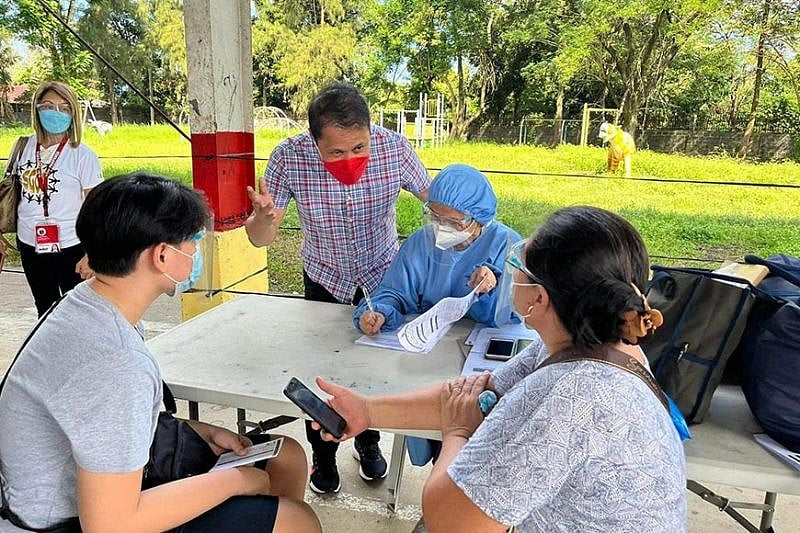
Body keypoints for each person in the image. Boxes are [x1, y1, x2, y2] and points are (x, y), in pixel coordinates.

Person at [313, 206, 687, 532]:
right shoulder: (586, 346)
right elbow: (475, 393)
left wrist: (457, 433)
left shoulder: (575, 397)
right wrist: (368, 411)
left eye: (517, 267)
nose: (511, 274)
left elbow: (451, 521)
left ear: (539, 298)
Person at [0, 173, 321, 533]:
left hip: (98, 477)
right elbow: (111, 525)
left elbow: (102, 420)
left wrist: (203, 431)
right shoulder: (116, 361)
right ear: (163, 256)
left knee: (285, 458)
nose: (197, 250)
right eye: (194, 241)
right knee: (296, 521)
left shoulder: (91, 302)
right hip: (64, 520)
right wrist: (234, 483)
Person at [245, 82, 431, 493]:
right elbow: (260, 238)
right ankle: (322, 456)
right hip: (324, 276)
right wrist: (264, 219)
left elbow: (432, 198)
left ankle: (368, 442)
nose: (350, 159)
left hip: (383, 276)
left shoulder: (394, 149)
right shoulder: (288, 158)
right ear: (314, 141)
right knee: (322, 375)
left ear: (370, 132)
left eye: (359, 148)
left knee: (373, 369)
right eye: (337, 152)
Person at [354, 163, 520, 337]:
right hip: (426, 340)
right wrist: (379, 314)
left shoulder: (506, 245)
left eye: (454, 222)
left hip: (482, 341)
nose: (442, 227)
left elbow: (515, 311)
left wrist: (492, 286)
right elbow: (394, 291)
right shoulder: (420, 243)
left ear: (479, 219)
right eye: (435, 216)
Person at [0, 81, 103, 317]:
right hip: (30, 243)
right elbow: (9, 194)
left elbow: (96, 209)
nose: (55, 113)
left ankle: (78, 354)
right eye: (48, 106)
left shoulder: (82, 155)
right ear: (36, 110)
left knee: (77, 311)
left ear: (73, 113)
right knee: (44, 308)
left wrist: (92, 254)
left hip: (71, 245)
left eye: (63, 108)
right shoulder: (22, 146)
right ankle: (51, 353)